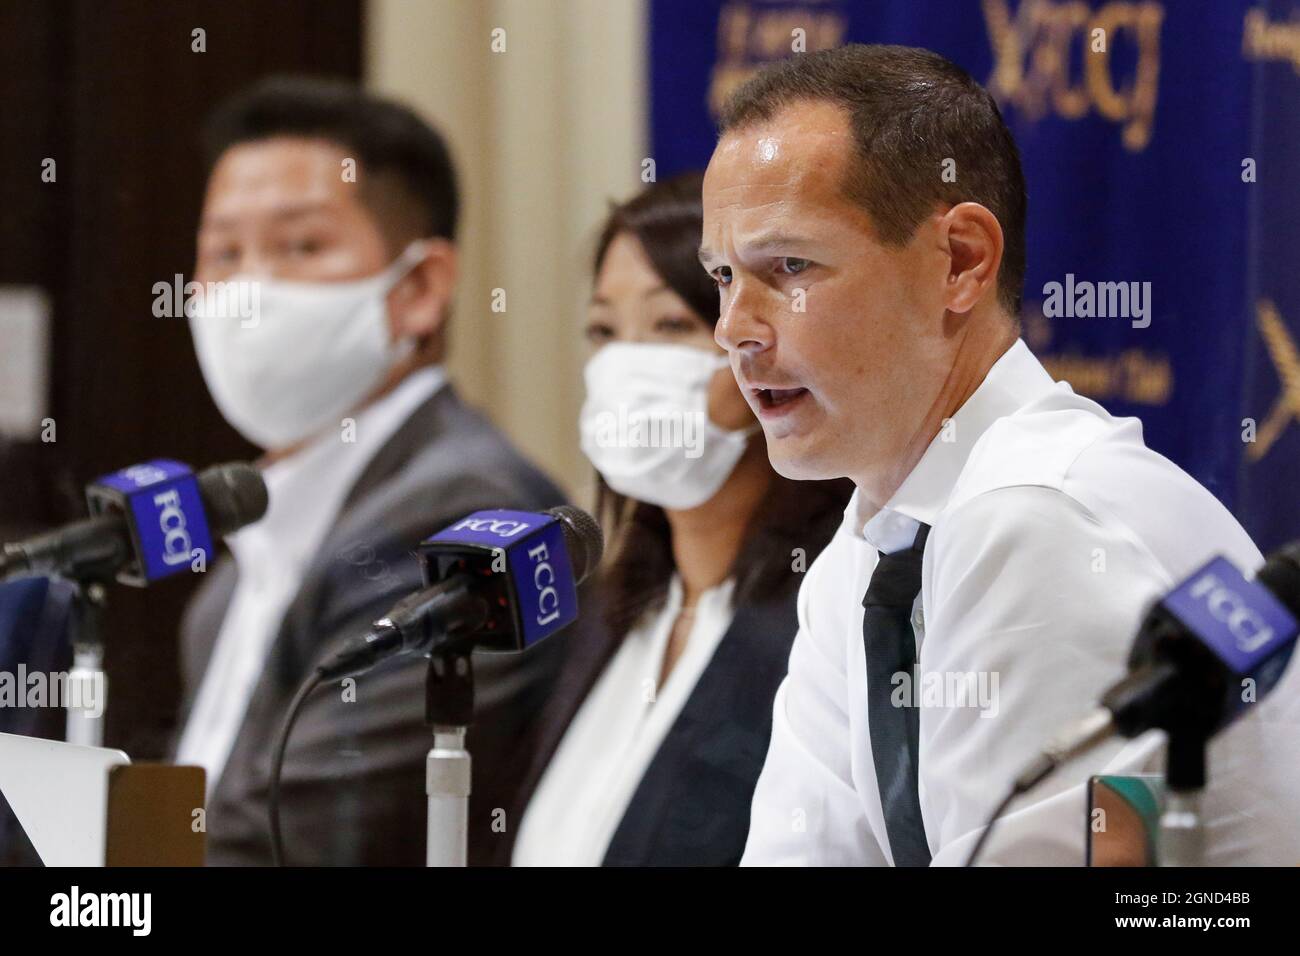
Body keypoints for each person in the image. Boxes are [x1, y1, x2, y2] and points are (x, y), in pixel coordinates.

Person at [698, 44, 1300, 865]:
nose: (734, 328)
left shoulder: (1038, 518)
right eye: (724, 275)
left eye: (789, 266)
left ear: (961, 262)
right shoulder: (872, 544)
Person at [177, 76, 568, 866]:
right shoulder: (237, 572)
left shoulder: (459, 512)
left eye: (301, 246)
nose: (247, 293)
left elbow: (293, 846)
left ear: (419, 289)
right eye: (223, 253)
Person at [498, 173, 851, 866]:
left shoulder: (828, 614)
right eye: (604, 331)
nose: (626, 365)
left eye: (670, 326)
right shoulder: (608, 609)